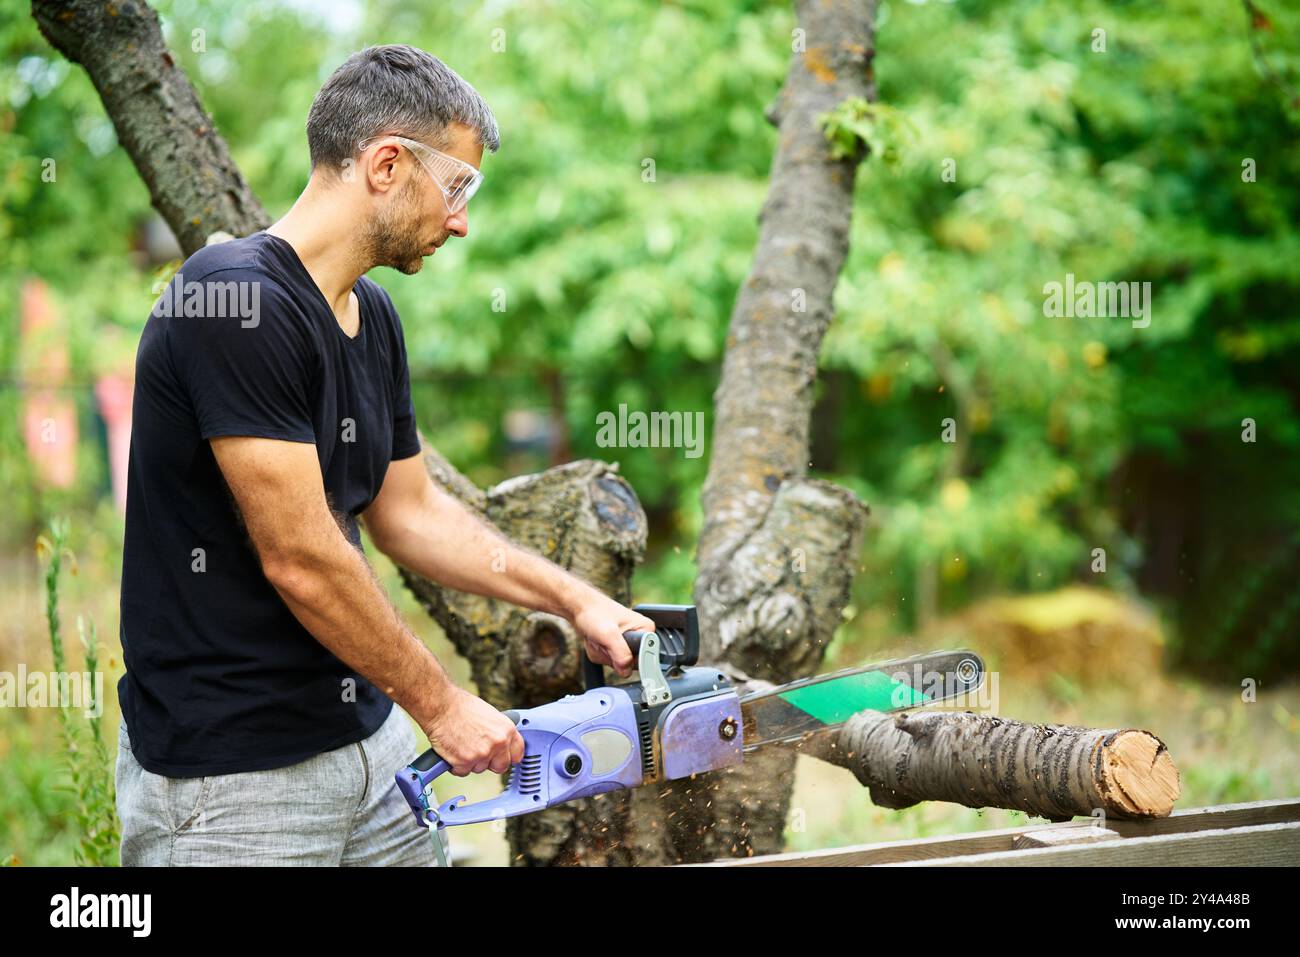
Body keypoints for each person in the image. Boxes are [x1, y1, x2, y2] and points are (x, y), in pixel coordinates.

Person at [115, 44, 654, 866]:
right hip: (234, 786)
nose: (463, 219)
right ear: (387, 163)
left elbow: (413, 514)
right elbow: (300, 557)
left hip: (370, 750)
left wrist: (573, 599)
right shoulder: (230, 299)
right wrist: (441, 706)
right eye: (458, 186)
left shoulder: (370, 315)